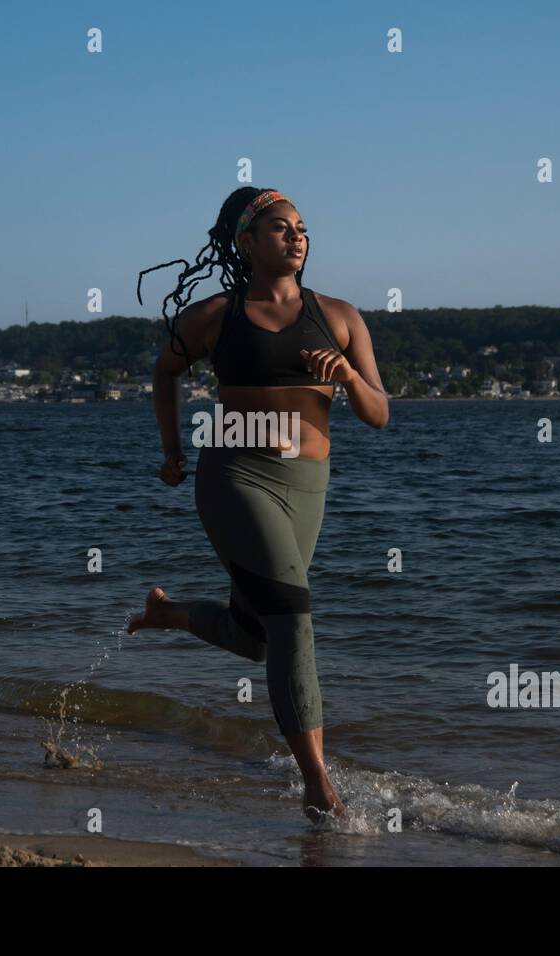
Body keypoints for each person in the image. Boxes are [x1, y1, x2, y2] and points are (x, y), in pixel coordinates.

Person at [127, 187, 389, 821]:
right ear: (245, 242)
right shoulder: (216, 316)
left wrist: (348, 377)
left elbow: (378, 414)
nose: (296, 237)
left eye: (301, 228)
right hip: (235, 476)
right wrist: (171, 447)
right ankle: (318, 785)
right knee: (294, 620)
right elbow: (166, 372)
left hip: (307, 488)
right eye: (278, 229)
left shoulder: (341, 316)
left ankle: (172, 615)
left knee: (260, 639)